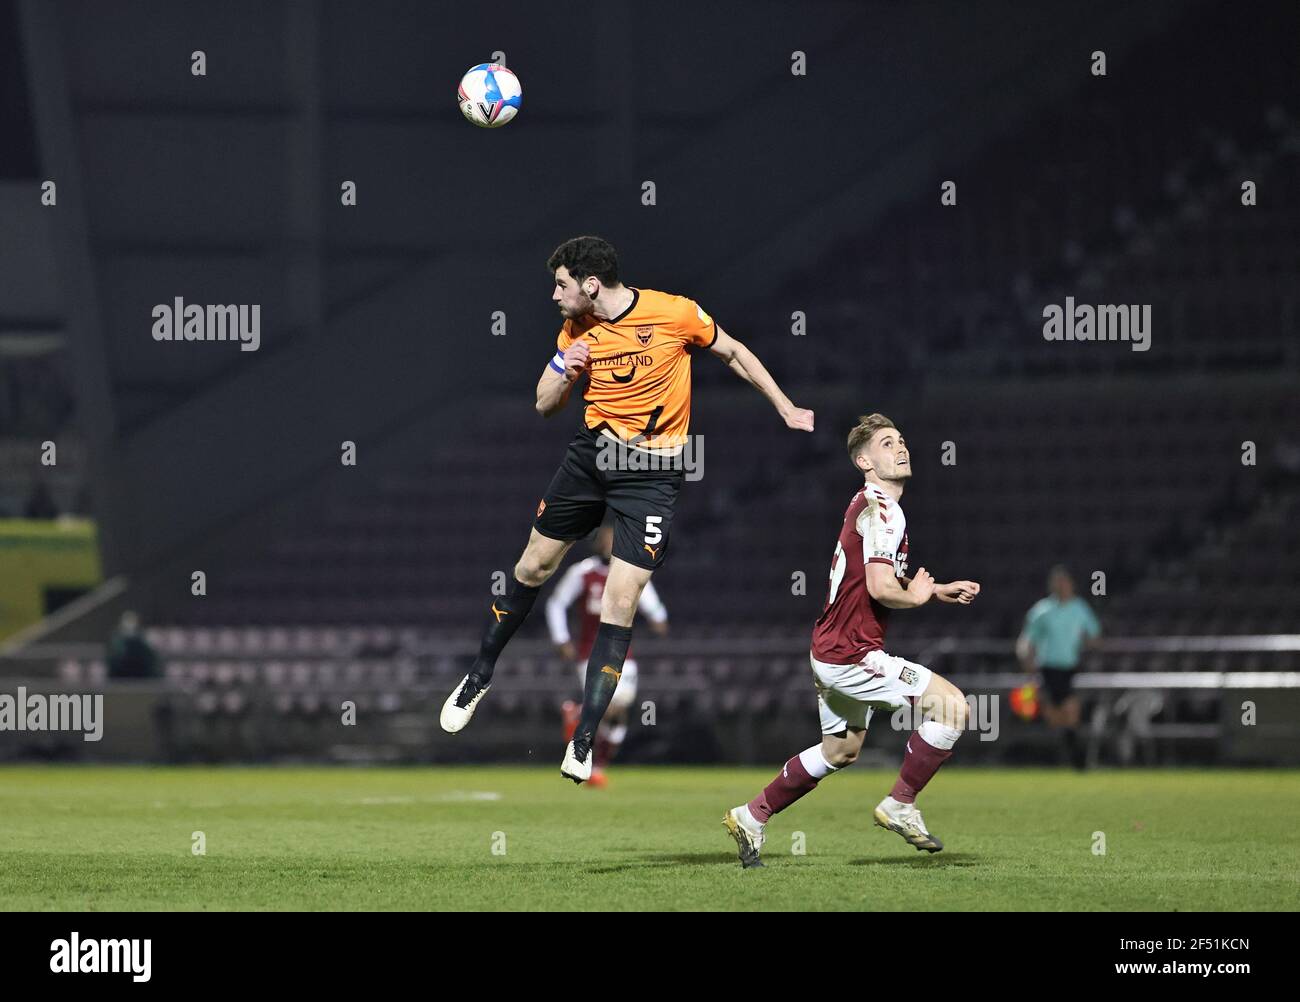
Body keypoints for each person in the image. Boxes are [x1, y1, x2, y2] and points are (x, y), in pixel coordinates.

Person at [439, 235, 814, 784]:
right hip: (593, 458)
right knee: (531, 568)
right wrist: (566, 365)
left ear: (591, 284)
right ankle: (479, 673)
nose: (554, 295)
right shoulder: (576, 330)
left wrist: (783, 406)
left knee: (622, 600)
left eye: (561, 284)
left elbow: (732, 350)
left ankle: (584, 740)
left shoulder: (675, 313)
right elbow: (544, 405)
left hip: (654, 473)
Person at [724, 414, 980, 866]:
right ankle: (900, 803)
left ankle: (752, 814)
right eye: (886, 443)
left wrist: (934, 590)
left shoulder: (870, 503)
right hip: (852, 654)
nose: (900, 448)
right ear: (865, 460)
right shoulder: (882, 508)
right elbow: (882, 588)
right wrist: (918, 598)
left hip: (830, 648)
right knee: (954, 707)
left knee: (840, 750)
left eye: (901, 440)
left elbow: (873, 579)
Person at [547, 524, 668, 787]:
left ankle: (596, 763)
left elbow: (649, 600)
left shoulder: (631, 571)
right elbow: (556, 603)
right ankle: (580, 720)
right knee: (611, 706)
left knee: (618, 713)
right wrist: (561, 638)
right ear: (597, 542)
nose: (610, 543)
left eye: (614, 539)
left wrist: (658, 616)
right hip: (590, 653)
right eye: (605, 538)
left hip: (625, 654)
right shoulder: (583, 572)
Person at [1017, 565, 1101, 769]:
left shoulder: (1080, 608)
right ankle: (1067, 757)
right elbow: (1027, 639)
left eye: (1064, 581)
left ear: (1071, 584)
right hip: (1047, 668)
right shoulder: (1042, 611)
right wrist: (1026, 658)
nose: (1061, 586)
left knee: (1070, 713)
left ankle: (1075, 759)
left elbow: (1094, 635)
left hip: (1070, 668)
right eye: (1057, 582)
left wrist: (1087, 642)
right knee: (1055, 717)